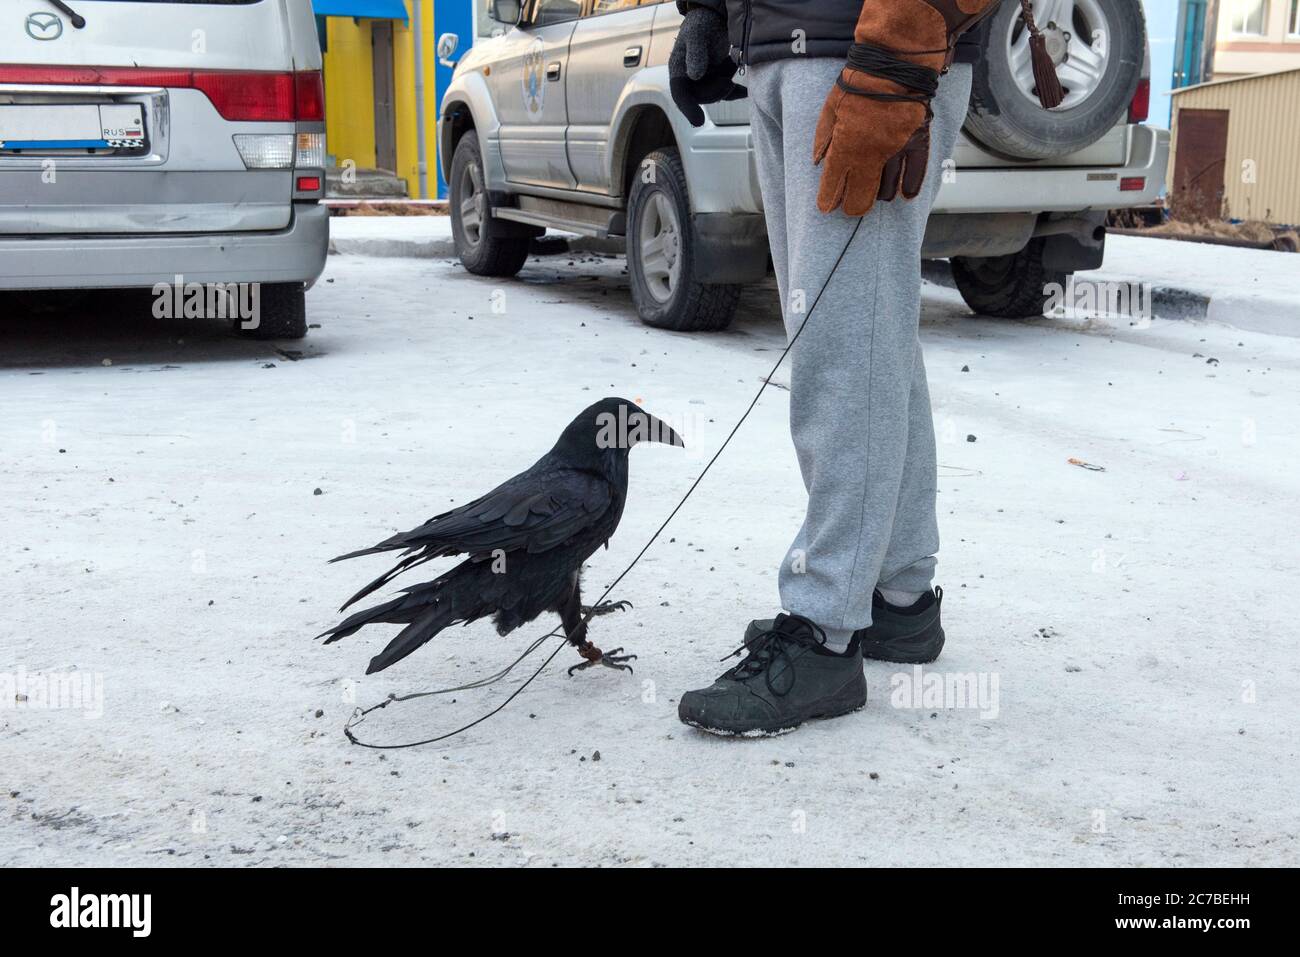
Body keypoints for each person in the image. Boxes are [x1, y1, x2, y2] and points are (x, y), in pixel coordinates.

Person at [669, 0, 1056, 736]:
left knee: (841, 339)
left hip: (868, 50)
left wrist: (901, 43)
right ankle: (896, 596)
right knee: (864, 325)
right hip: (790, 42)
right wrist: (716, 12)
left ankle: (825, 628)